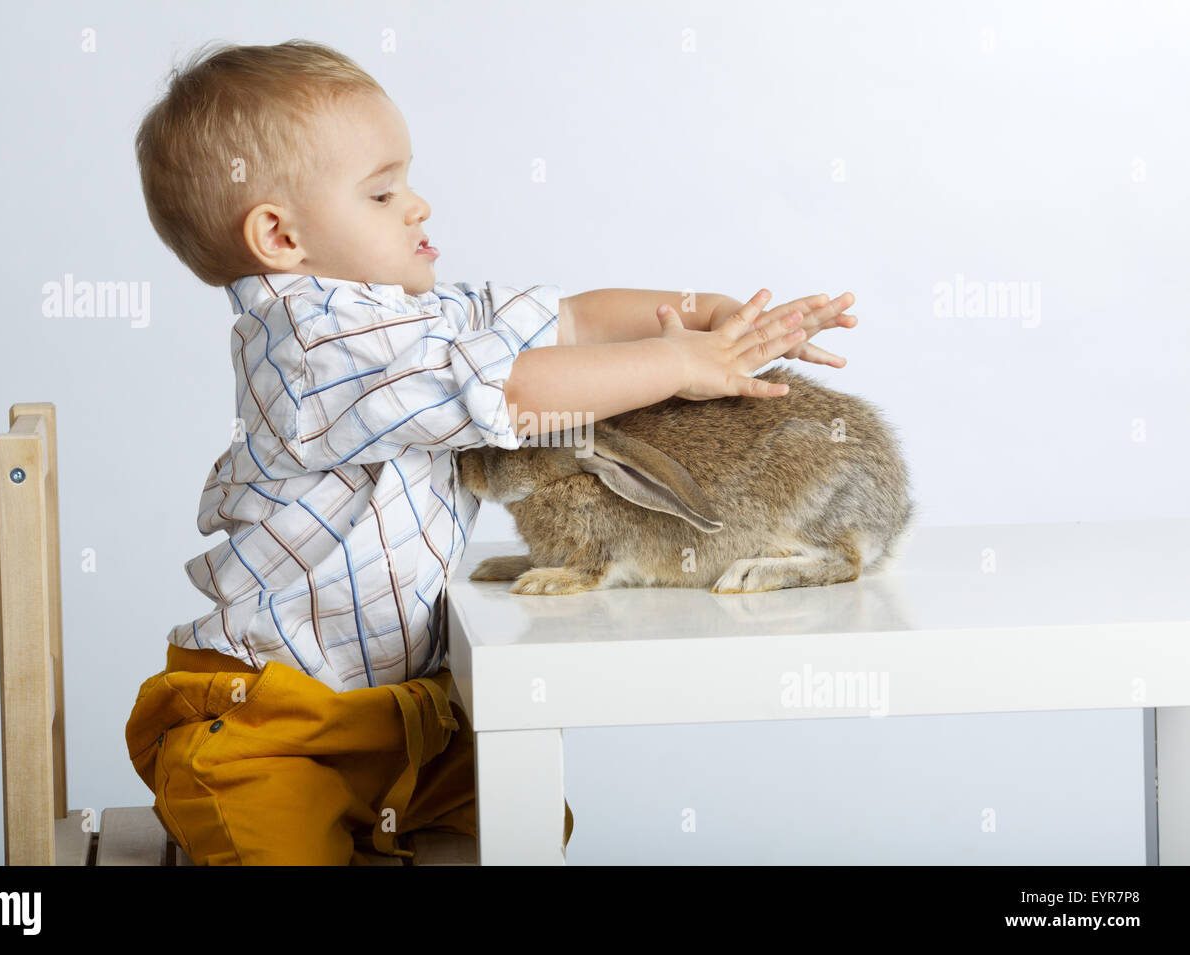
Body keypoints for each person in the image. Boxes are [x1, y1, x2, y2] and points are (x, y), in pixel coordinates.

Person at [124, 38, 856, 865]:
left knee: (530, 814)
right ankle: (233, 783)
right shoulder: (314, 345)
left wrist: (704, 312)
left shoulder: (407, 320)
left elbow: (569, 319)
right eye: (382, 191)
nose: (419, 205)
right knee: (276, 841)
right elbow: (513, 389)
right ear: (279, 236)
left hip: (404, 714)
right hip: (273, 715)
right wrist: (683, 365)